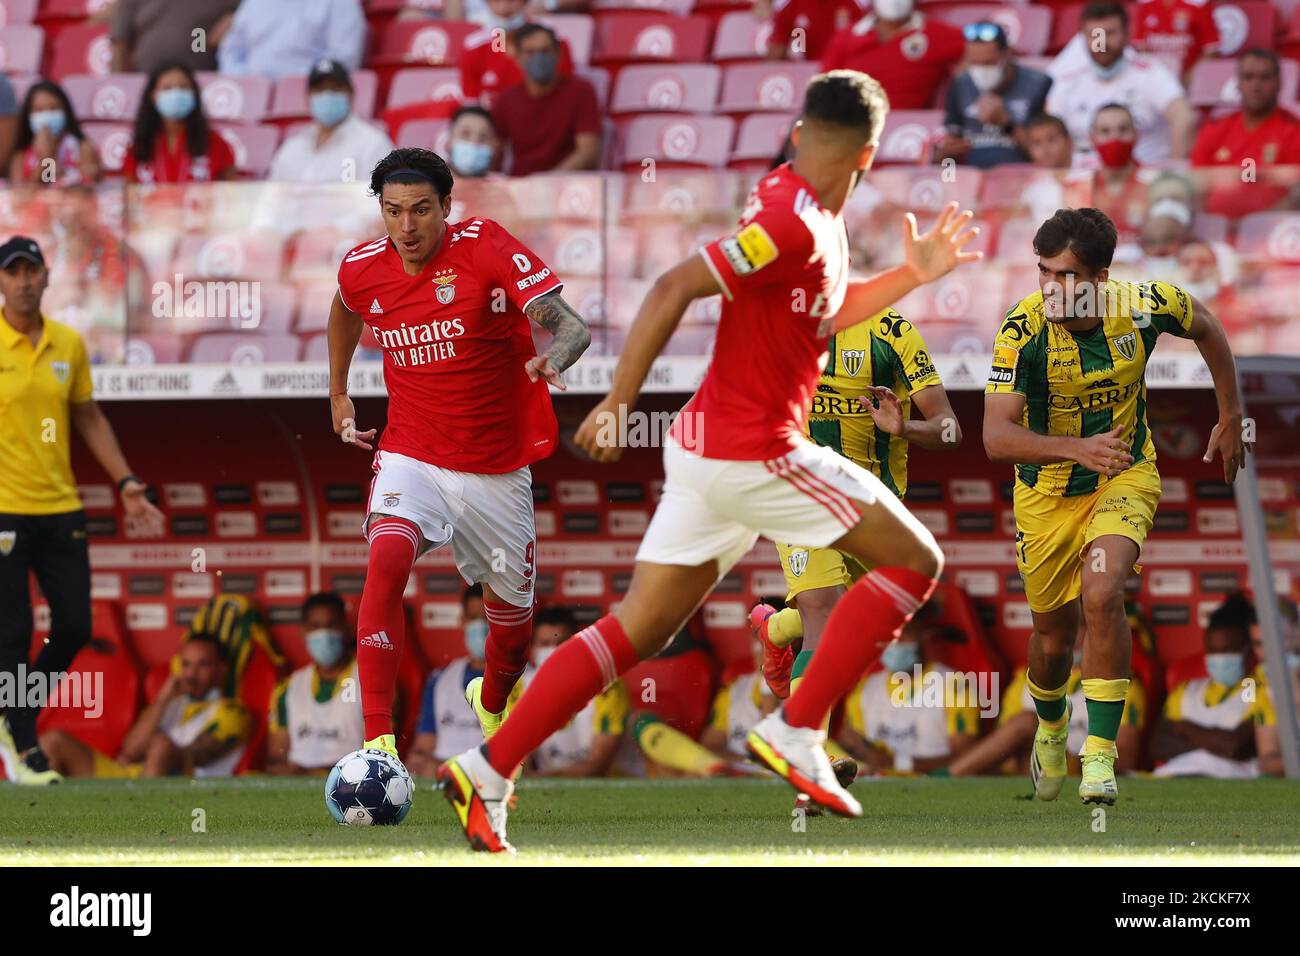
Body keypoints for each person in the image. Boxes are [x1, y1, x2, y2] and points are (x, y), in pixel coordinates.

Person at [437, 70, 982, 853]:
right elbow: (671, 287)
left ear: (800, 136)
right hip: (752, 448)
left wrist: (910, 277)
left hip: (704, 449)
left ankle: (488, 769)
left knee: (637, 631)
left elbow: (824, 313)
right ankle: (798, 731)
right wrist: (618, 401)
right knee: (915, 561)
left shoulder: (798, 207)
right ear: (869, 154)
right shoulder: (793, 223)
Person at [328, 149, 592, 767]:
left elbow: (572, 326)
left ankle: (492, 697)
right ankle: (378, 746)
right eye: (393, 212)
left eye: (422, 210)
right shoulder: (364, 266)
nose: (408, 226)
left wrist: (554, 358)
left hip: (496, 469)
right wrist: (339, 392)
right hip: (410, 452)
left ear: (448, 207)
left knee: (509, 633)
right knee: (386, 560)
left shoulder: (487, 247)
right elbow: (344, 306)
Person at [982, 207, 1246, 805]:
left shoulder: (1145, 304)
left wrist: (1231, 414)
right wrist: (1076, 449)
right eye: (1043, 272)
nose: (1052, 288)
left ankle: (1098, 757)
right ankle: (1050, 724)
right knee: (1052, 642)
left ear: (1100, 279)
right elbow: (996, 438)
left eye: (1067, 276)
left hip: (1124, 475)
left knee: (1103, 592)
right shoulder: (1020, 330)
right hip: (1046, 496)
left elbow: (1206, 325)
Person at [0, 236, 163, 785]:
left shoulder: (67, 343)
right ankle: (25, 746)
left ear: (47, 278)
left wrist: (127, 482)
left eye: (31, 271)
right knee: (13, 629)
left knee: (72, 626)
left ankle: (13, 714)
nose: (22, 281)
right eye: (12, 272)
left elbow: (89, 418)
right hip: (4, 510)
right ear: (1, 282)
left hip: (60, 507)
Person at [751, 302, 961, 702]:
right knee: (822, 608)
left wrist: (905, 427)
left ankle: (776, 629)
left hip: (874, 504)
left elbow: (951, 430)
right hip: (802, 490)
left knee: (873, 619)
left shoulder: (892, 334)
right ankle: (807, 747)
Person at [36, 633, 251, 779]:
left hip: (185, 789)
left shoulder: (233, 712)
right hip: (135, 779)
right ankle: (41, 829)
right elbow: (130, 752)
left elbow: (198, 756)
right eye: (186, 664)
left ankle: (137, 821)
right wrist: (164, 697)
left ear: (222, 669)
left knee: (161, 744)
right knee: (53, 742)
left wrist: (161, 750)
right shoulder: (171, 703)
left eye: (203, 665)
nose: (191, 674)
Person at [1045, 2, 1195, 166]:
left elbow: (1184, 117)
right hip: (1084, 181)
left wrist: (1172, 174)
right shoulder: (1068, 80)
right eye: (1094, 35)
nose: (1101, 44)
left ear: (1126, 34)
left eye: (1109, 33)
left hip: (1144, 178)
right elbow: (1050, 134)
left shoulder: (1149, 74)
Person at [836, 607, 980, 775]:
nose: (895, 643)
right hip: (875, 786)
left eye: (905, 633)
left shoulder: (954, 683)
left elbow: (965, 757)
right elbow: (856, 747)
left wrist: (893, 763)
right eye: (889, 635)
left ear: (924, 634)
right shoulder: (866, 687)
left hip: (932, 788)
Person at [1152, 594, 1282, 778]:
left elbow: (1234, 746)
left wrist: (1184, 728)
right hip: (1172, 777)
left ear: (1247, 648)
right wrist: (1216, 742)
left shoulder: (1254, 687)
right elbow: (1158, 746)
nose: (1219, 657)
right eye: (1212, 650)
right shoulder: (1187, 690)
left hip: (1230, 783)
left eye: (1228, 650)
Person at [1191, 50, 1300, 218]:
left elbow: (1296, 192)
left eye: (1264, 78)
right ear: (1238, 83)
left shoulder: (1293, 130)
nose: (1256, 86)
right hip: (1215, 231)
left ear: (1279, 83)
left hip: (1271, 232)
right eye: (1248, 78)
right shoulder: (1215, 129)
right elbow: (1197, 185)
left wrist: (1258, 225)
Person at [265, 593, 364, 775]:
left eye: (331, 625)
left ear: (347, 628)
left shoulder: (370, 681)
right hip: (296, 788)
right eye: (315, 626)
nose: (324, 634)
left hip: (352, 785)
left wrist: (314, 772)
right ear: (303, 632)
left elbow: (380, 754)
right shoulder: (287, 688)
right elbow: (277, 756)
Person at [524, 607, 629, 777]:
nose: (553, 652)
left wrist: (544, 779)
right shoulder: (520, 689)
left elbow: (598, 765)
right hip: (550, 794)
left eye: (560, 644)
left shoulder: (607, 686)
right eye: (544, 644)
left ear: (576, 646)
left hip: (607, 791)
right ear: (532, 650)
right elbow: (519, 762)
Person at [937, 22, 1052, 169]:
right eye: (974, 63)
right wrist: (944, 156)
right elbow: (947, 162)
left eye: (989, 63)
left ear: (1007, 54)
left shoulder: (1038, 84)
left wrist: (1006, 124)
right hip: (971, 179)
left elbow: (1048, 154)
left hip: (1020, 176)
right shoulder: (960, 85)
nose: (981, 70)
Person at [491, 24, 600, 176]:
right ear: (518, 59)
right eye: (530, 52)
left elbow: (588, 152)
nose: (539, 58)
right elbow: (495, 153)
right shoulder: (506, 99)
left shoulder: (581, 91)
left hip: (566, 186)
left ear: (558, 53)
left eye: (545, 50)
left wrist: (548, 182)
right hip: (519, 186)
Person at [406, 587, 492, 778]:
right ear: (462, 621)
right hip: (443, 780)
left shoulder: (521, 680)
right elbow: (423, 746)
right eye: (473, 617)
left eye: (487, 617)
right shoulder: (440, 679)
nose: (480, 625)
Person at [267, 59, 394, 185]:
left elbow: (377, 200)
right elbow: (271, 199)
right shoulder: (292, 147)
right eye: (319, 89)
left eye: (335, 88)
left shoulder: (373, 144)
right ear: (308, 98)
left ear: (350, 94)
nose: (326, 95)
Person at [820, 0, 964, 111]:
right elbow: (823, 87)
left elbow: (978, 45)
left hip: (907, 129)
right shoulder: (846, 37)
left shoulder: (935, 34)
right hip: (853, 123)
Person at [124, 62, 238, 184]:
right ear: (153, 96)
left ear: (194, 94)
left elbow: (230, 195)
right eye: (167, 88)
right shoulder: (139, 147)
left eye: (183, 87)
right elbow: (129, 195)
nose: (176, 94)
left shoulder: (216, 143)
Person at [460, 0, 574, 107]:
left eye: (511, 0)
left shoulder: (553, 39)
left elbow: (566, 92)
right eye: (496, 0)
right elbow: (472, 105)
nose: (503, 8)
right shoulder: (474, 46)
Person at [217, 0, 365, 78]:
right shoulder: (255, 2)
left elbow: (344, 59)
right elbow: (230, 50)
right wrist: (246, 80)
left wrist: (297, 83)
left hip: (308, 94)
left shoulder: (340, 2)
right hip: (253, 94)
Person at [8, 81, 101, 187]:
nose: (46, 115)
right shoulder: (20, 157)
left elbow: (86, 189)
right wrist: (45, 159)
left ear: (66, 112)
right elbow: (24, 193)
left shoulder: (82, 148)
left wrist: (49, 158)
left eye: (54, 108)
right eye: (39, 110)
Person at [111, 0, 239, 74]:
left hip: (200, 85)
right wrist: (118, 84)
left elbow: (252, 12)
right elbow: (120, 40)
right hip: (146, 83)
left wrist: (236, 19)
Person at [1129, 0, 1219, 80]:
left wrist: (1193, 75)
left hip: (1189, 79)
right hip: (1154, 78)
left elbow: (1211, 49)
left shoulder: (1200, 3)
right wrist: (1154, 76)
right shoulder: (1144, 3)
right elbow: (1140, 48)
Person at [767, 0, 866, 62]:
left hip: (840, 74)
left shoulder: (850, 5)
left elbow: (863, 46)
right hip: (807, 72)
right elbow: (777, 47)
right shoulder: (794, 5)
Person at [446, 106, 502, 180]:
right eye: (465, 134)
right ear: (449, 140)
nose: (474, 143)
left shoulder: (505, 187)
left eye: (483, 137)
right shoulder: (430, 184)